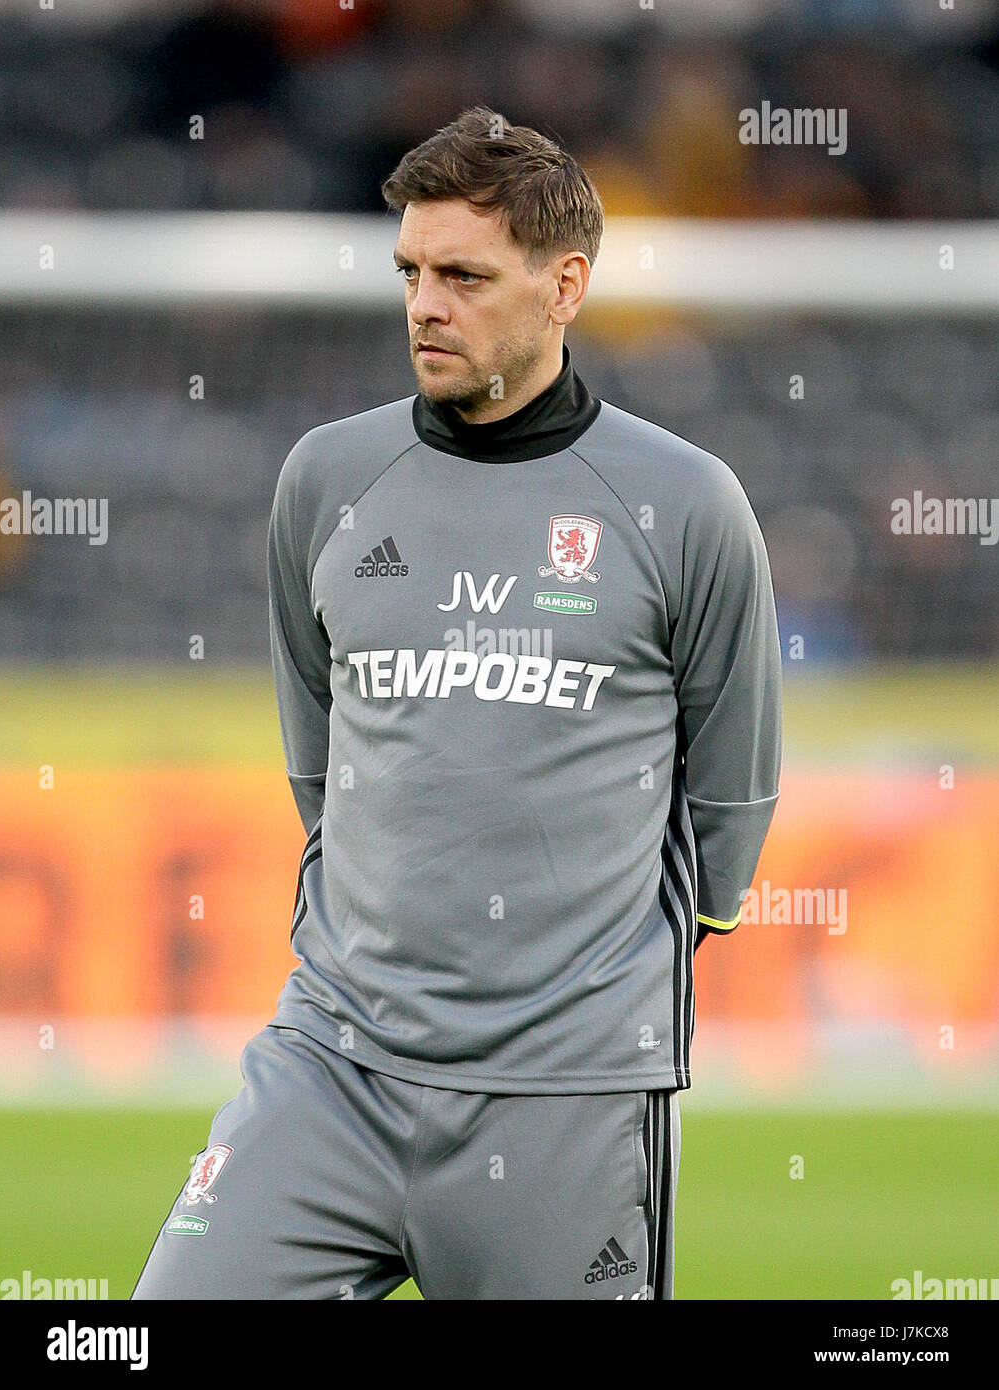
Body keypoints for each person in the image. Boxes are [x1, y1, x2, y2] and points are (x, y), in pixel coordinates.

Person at [133, 105, 782, 1302]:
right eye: (412, 272)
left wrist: (575, 992)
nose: (426, 304)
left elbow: (731, 792)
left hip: (565, 1098)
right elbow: (321, 758)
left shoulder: (685, 503)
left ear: (566, 284)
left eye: (465, 276)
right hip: (330, 1064)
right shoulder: (327, 478)